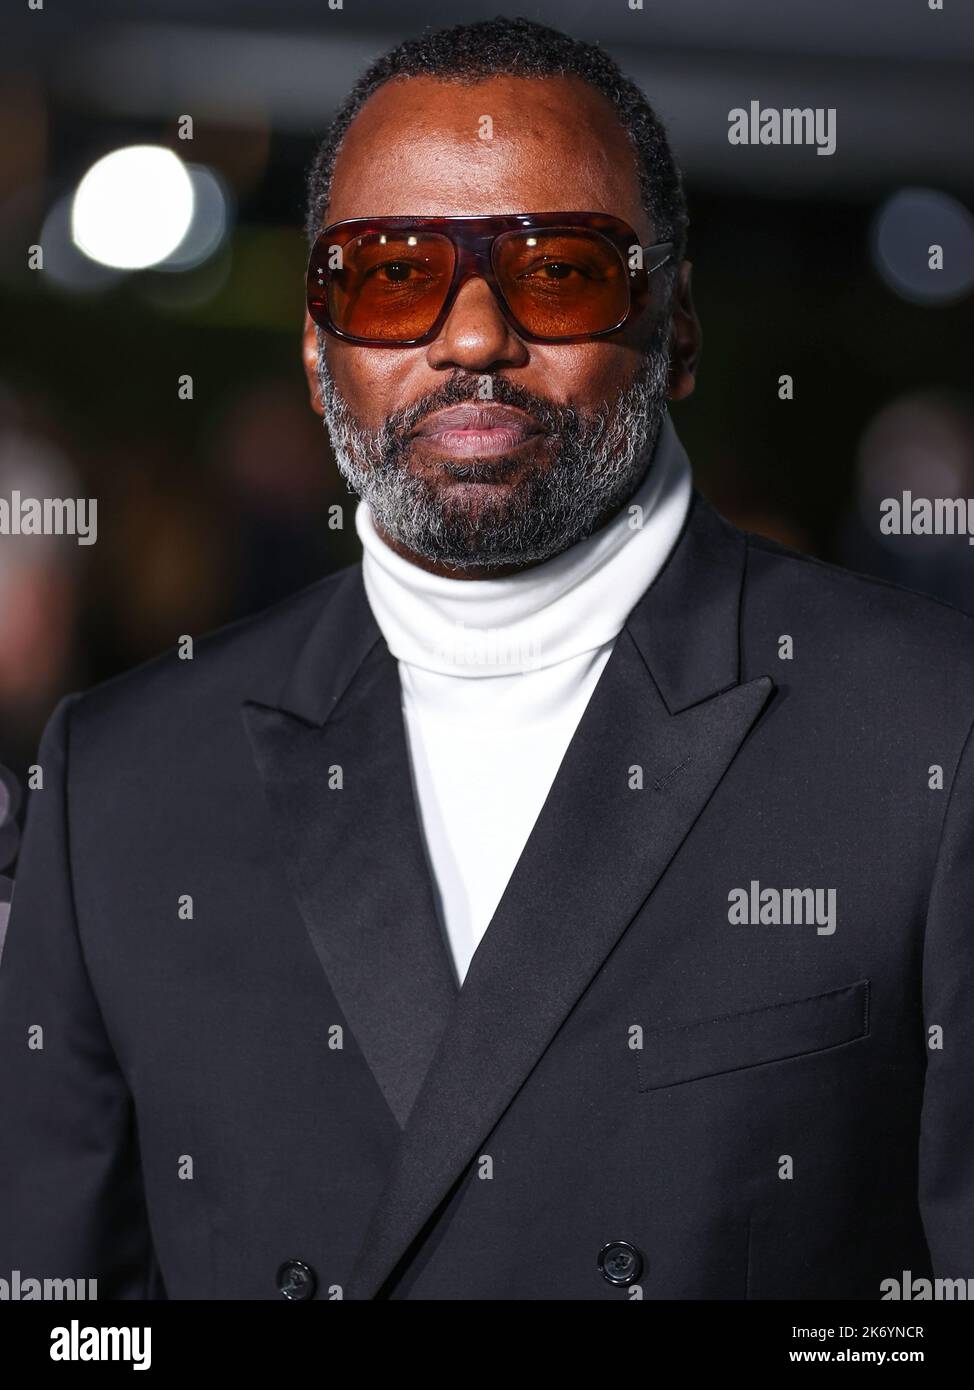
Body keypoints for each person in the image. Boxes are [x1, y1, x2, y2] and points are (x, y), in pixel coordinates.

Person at [1, 16, 973, 1302]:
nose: (468, 337)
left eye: (558, 270)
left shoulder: (928, 732)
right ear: (314, 346)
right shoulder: (119, 776)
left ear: (675, 328)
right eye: (390, 275)